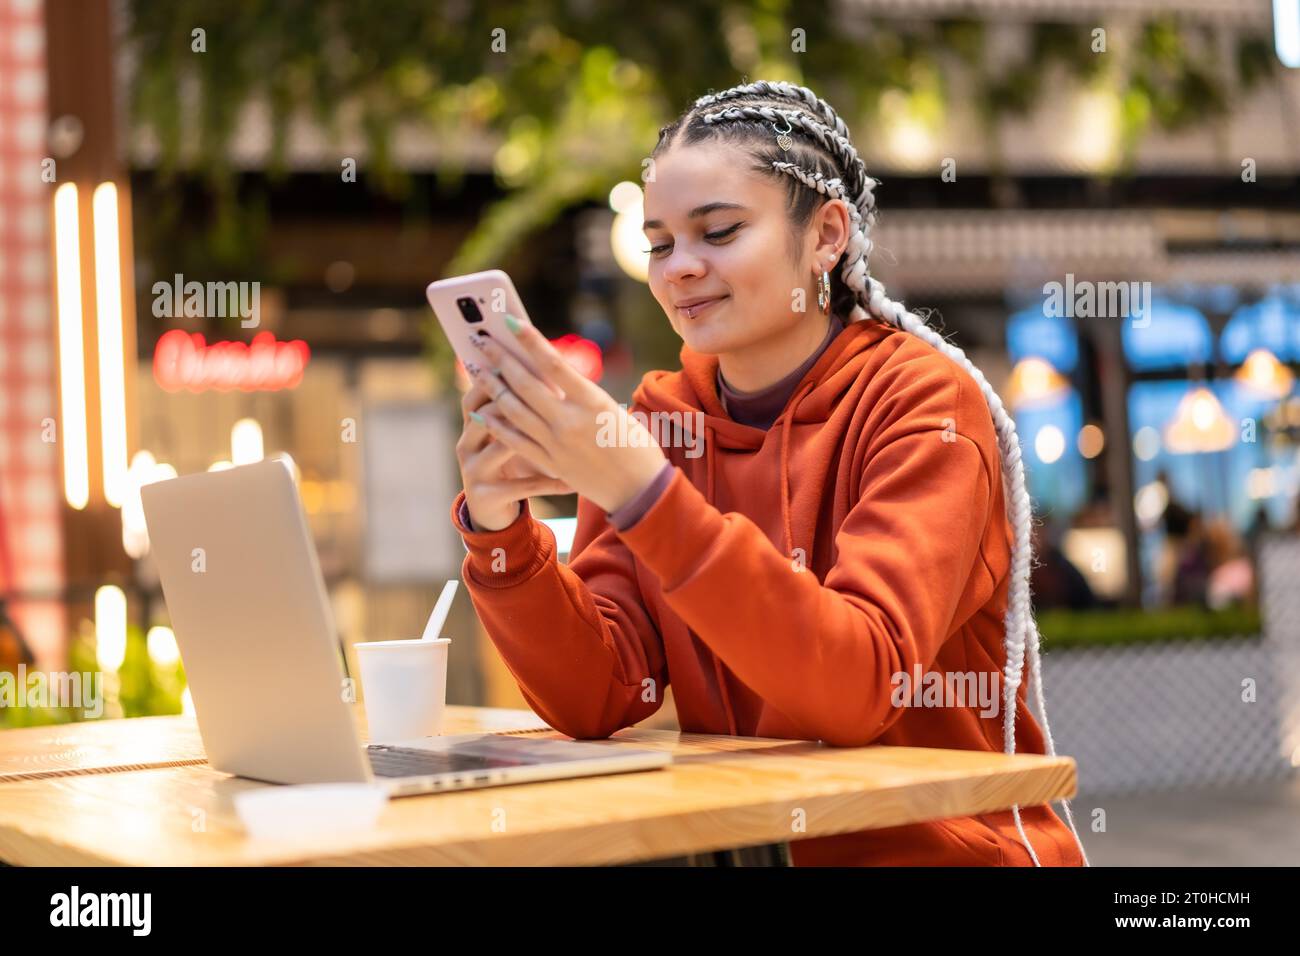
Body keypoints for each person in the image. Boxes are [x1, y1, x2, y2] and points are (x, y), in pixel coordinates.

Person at [449, 80, 1087, 866]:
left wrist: (646, 494)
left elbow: (861, 685)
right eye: (659, 244)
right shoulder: (661, 420)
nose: (679, 268)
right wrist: (496, 528)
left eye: (717, 232)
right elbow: (601, 695)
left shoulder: (924, 402)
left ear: (825, 236)